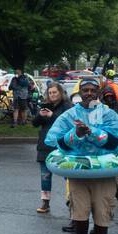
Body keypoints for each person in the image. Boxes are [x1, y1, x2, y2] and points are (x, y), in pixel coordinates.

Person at [44, 78, 118, 234]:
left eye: (93, 90)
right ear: (80, 92)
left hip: (104, 175)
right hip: (79, 175)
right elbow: (57, 141)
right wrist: (75, 133)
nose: (89, 93)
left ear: (99, 93)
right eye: (86, 90)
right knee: (80, 215)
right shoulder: (69, 116)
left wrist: (92, 132)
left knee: (103, 216)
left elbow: (116, 142)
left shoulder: (109, 115)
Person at [31, 82, 71, 214]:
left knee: (68, 175)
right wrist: (40, 115)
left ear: (60, 93)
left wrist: (51, 116)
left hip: (61, 145)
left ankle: (71, 199)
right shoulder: (46, 105)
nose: (52, 95)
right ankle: (45, 202)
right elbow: (34, 124)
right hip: (44, 145)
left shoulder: (67, 106)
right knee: (45, 176)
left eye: (55, 92)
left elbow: (67, 124)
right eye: (50, 93)